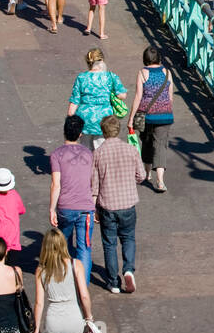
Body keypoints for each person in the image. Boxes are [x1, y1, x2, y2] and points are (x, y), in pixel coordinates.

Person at [91, 114, 146, 293]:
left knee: (109, 243)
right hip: (128, 203)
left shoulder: (97, 154)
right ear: (118, 130)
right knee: (128, 238)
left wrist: (94, 208)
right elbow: (142, 176)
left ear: (103, 131)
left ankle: (113, 282)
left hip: (107, 204)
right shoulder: (130, 150)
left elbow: (94, 184)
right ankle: (128, 269)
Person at [49, 115, 95, 285]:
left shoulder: (57, 154)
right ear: (81, 134)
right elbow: (92, 181)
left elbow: (56, 184)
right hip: (86, 208)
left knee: (64, 244)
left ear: (64, 132)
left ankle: (65, 280)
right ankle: (82, 285)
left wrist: (52, 209)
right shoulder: (88, 154)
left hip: (65, 207)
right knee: (84, 248)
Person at [128, 46, 174, 194]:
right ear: (159, 58)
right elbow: (170, 97)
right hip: (165, 115)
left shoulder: (142, 73)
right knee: (160, 146)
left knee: (147, 143)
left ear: (145, 59)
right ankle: (160, 181)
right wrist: (165, 109)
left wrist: (131, 118)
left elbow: (138, 97)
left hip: (147, 115)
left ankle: (147, 174)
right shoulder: (167, 72)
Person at [68, 47, 127, 149]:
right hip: (104, 121)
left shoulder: (81, 78)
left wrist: (72, 125)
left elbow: (74, 103)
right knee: (102, 152)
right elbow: (122, 95)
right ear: (102, 61)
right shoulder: (110, 76)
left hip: (84, 120)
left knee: (85, 152)